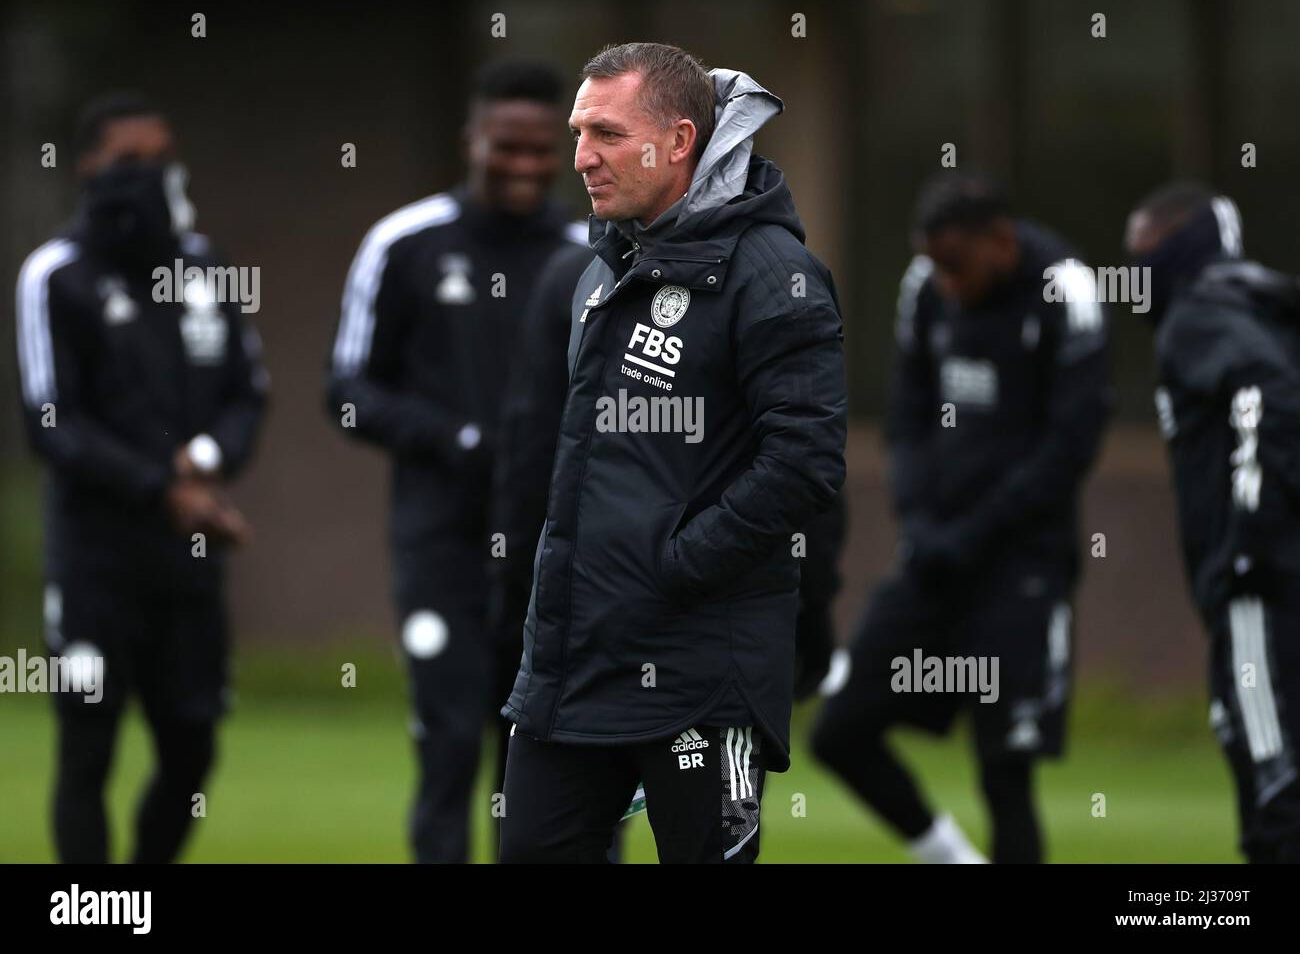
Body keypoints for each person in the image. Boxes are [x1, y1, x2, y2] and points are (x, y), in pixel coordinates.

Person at [497, 42, 847, 864]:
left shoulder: (775, 276)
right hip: (574, 667)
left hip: (701, 676)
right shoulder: (603, 269)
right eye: (579, 133)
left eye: (607, 134)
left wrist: (675, 565)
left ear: (680, 140)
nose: (580, 156)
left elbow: (804, 463)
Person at [325, 60, 585, 863]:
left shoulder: (590, 252)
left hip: (556, 549)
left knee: (550, 754)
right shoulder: (403, 245)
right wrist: (455, 438)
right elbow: (345, 391)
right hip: (441, 543)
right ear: (472, 139)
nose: (526, 165)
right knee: (446, 745)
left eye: (544, 149)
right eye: (508, 146)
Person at [812, 174, 1110, 863]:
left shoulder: (1065, 288)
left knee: (1006, 767)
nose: (945, 282)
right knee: (841, 732)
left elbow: (1071, 445)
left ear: (1000, 243)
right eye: (936, 265)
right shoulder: (924, 284)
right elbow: (908, 417)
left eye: (957, 266)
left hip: (1021, 565)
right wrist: (918, 518)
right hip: (935, 558)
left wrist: (974, 532)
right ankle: (950, 858)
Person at [14, 92, 267, 863]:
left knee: (192, 747)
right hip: (96, 558)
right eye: (129, 162)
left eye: (160, 161)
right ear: (88, 165)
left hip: (187, 563)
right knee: (88, 747)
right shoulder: (58, 274)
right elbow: (50, 420)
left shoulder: (204, 266)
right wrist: (165, 484)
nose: (148, 178)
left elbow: (247, 393)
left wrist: (207, 463)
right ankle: (93, 912)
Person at [1126, 183, 1300, 863]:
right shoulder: (1262, 304)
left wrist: (1249, 542)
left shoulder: (1200, 313)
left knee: (1274, 779)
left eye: (1147, 244)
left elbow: (1267, 394)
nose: (1134, 264)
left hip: (1260, 588)